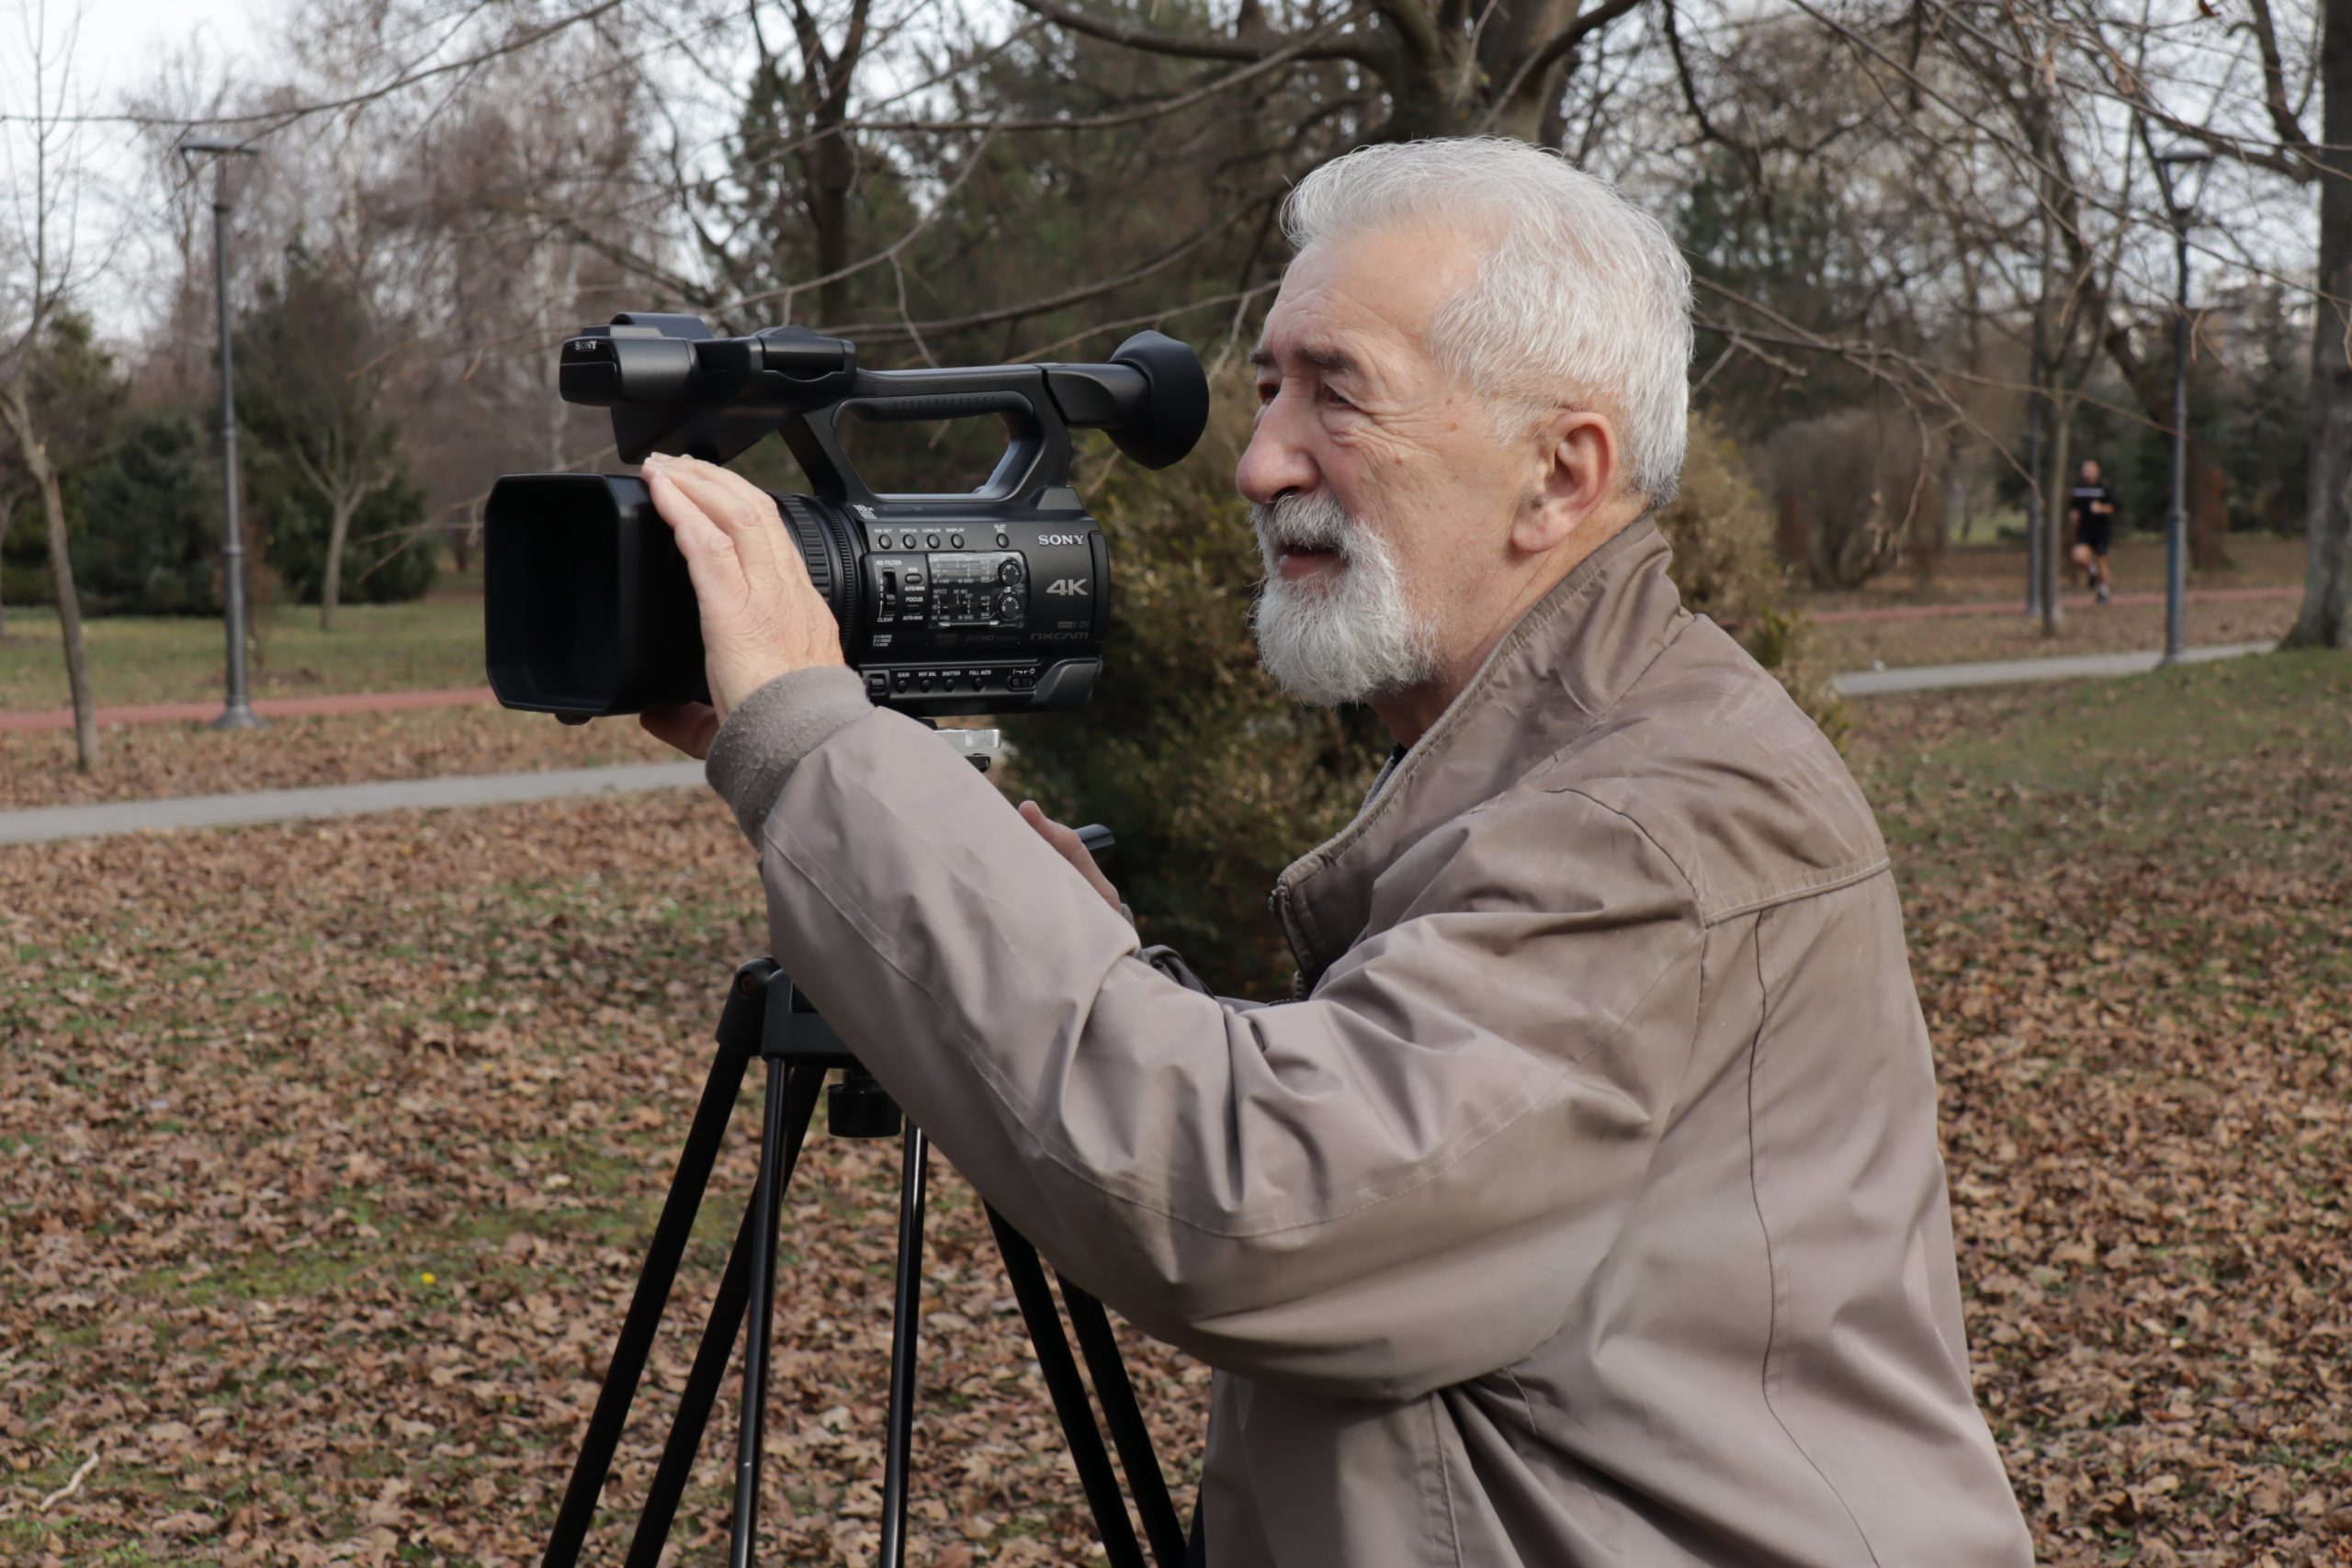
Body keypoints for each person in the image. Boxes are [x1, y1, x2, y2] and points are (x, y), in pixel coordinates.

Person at [633, 139, 2032, 1567]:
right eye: (1267, 388)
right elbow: (1419, 1150)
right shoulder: (1576, 747)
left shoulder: (1653, 825)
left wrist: (817, 749)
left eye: (1339, 391)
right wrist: (1099, 962)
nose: (1258, 464)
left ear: (1559, 473)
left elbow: (1266, 1206)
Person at [2069, 457, 2120, 601]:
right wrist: (2074, 514)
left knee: (2101, 560)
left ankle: (2103, 592)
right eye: (2085, 470)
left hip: (2101, 530)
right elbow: (2074, 506)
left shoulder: (2104, 489)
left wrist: (2101, 508)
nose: (2087, 473)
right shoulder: (2078, 489)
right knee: (2078, 556)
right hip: (2084, 530)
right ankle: (2093, 571)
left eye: (2090, 470)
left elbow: (2114, 508)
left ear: (2097, 471)